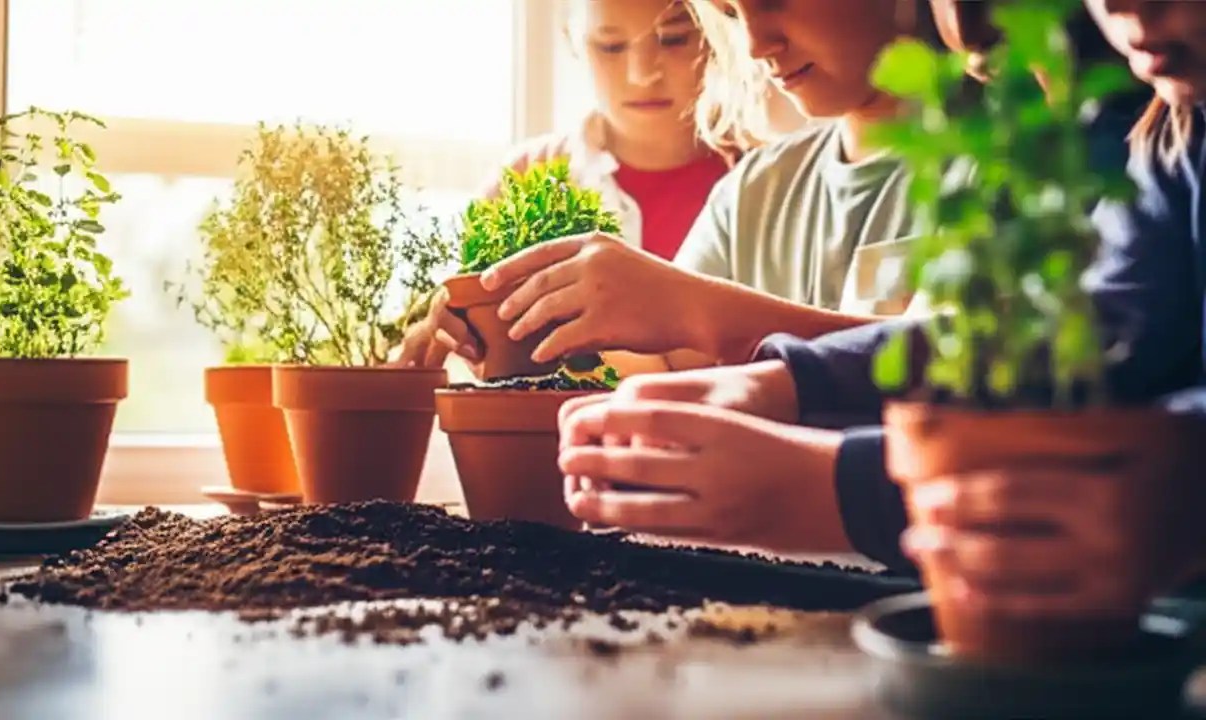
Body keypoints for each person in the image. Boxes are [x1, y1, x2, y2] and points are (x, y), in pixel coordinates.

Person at [557, 0, 1206, 619]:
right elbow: (1107, 330)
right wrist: (788, 381)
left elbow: (1134, 442)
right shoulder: (1178, 128)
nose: (1128, 12)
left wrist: (833, 486)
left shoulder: (1062, 142)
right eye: (731, 13)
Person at [469, 0, 946, 374]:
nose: (755, 46)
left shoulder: (1001, 168)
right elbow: (663, 369)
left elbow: (955, 365)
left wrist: (697, 309)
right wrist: (504, 333)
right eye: (731, 14)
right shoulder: (751, 193)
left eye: (774, 0)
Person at [393, 0, 779, 372]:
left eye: (673, 38)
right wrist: (448, 327)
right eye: (610, 46)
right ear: (572, 42)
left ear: (717, 34)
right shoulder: (527, 177)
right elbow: (459, 334)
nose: (641, 73)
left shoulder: (772, 186)